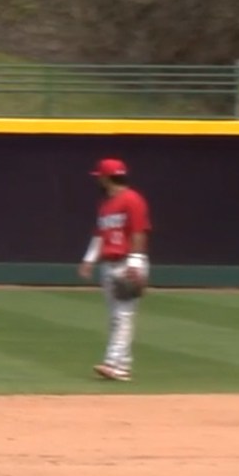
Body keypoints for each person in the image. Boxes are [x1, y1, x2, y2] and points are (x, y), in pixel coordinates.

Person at [77, 158, 152, 382]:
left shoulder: (133, 200)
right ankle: (122, 366)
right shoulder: (106, 204)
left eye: (99, 176)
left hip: (127, 262)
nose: (98, 180)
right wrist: (89, 260)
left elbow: (139, 232)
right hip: (109, 264)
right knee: (116, 318)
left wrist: (136, 263)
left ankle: (114, 364)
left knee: (123, 316)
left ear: (108, 177)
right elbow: (100, 235)